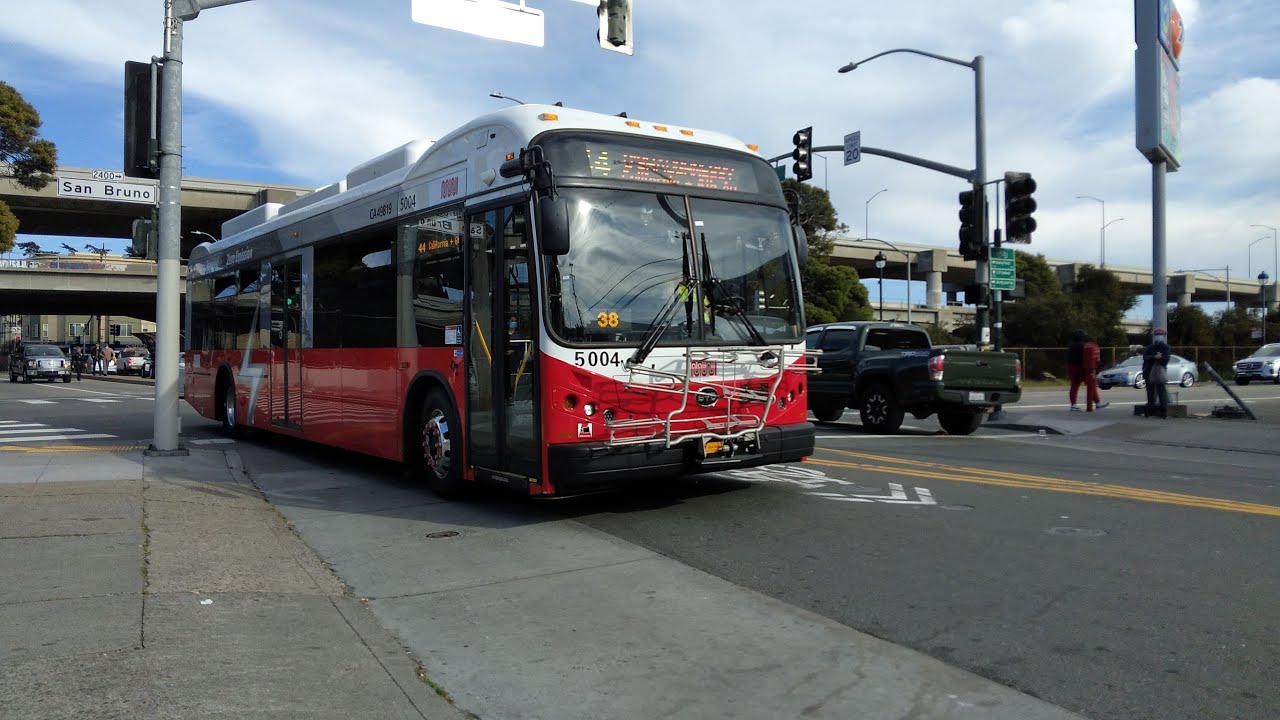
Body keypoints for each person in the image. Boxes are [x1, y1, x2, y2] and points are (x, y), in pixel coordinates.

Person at [1142, 328, 1172, 418]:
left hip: (1159, 372)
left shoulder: (1165, 347)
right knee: (1150, 393)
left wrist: (1159, 358)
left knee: (1161, 392)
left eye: (1160, 335)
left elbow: (1165, 360)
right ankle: (1150, 411)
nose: (1158, 336)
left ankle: (1163, 412)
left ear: (1164, 336)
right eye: (1156, 335)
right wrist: (1155, 357)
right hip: (1149, 372)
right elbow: (1145, 357)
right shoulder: (1150, 347)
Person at [1082, 334, 1108, 411]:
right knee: (1091, 388)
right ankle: (1089, 407)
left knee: (1092, 387)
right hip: (1092, 369)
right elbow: (1097, 359)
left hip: (1086, 368)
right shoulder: (1094, 347)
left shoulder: (1085, 346)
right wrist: (1096, 369)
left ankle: (1098, 403)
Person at [1066, 329, 1087, 411]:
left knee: (1074, 386)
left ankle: (1073, 404)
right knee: (1091, 384)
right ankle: (1097, 402)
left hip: (1071, 367)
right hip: (1080, 368)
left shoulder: (1071, 346)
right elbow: (1085, 358)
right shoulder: (1083, 345)